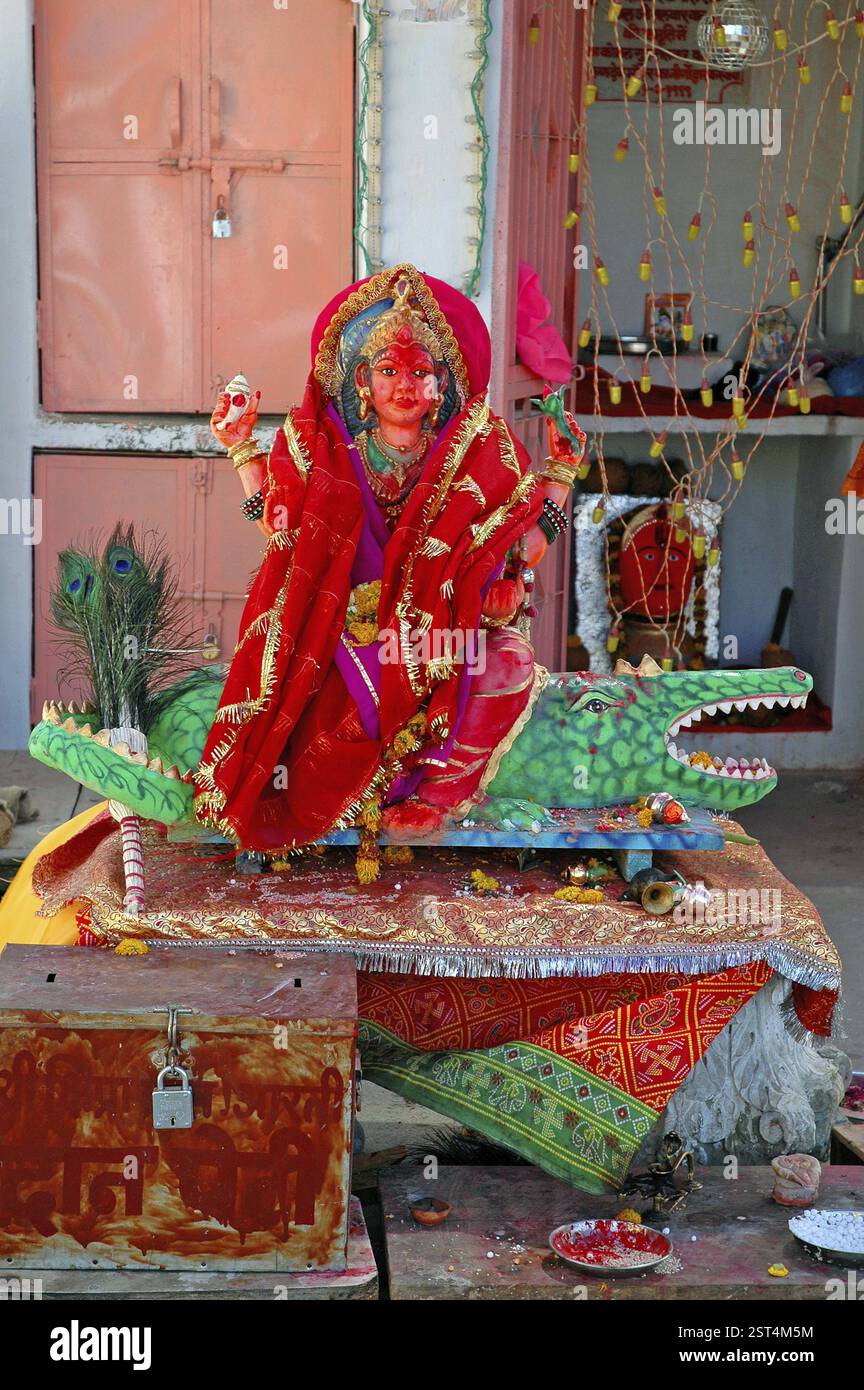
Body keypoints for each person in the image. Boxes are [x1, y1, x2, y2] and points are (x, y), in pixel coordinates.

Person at [197, 263, 584, 868]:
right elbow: (284, 535)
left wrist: (559, 478)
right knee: (301, 663)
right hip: (344, 638)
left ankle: (435, 794)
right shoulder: (331, 457)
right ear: (361, 382)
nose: (405, 386)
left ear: (440, 387)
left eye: (421, 373)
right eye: (388, 371)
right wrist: (242, 450)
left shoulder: (473, 462)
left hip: (442, 643)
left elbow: (517, 553)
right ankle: (317, 797)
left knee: (506, 663)